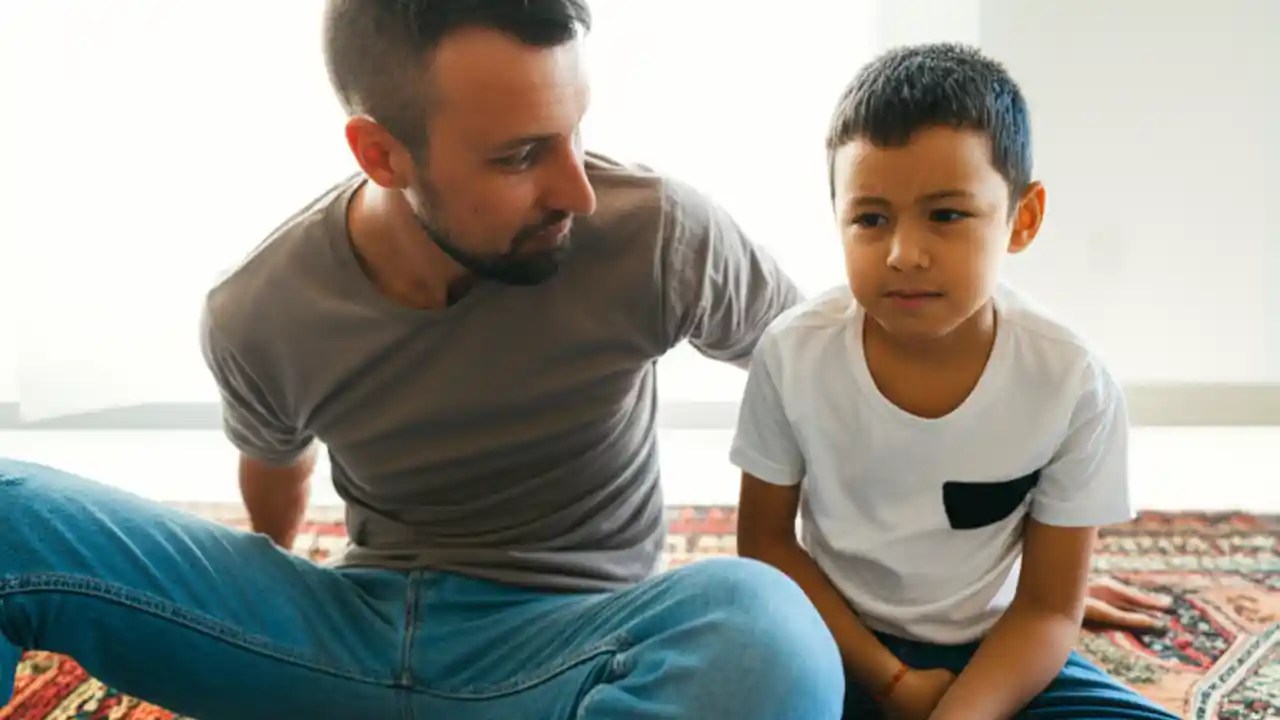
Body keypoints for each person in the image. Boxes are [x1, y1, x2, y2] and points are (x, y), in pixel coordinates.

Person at [0, 5, 1167, 720]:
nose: (573, 185)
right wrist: (263, 629)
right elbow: (270, 515)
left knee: (760, 628)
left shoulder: (651, 230)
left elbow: (851, 372)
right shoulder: (257, 308)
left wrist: (998, 563)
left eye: (572, 131)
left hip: (590, 657)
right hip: (358, 630)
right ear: (378, 148)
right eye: (519, 154)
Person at [731, 43, 1179, 720]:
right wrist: (891, 683)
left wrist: (959, 712)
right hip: (827, 639)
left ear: (1021, 219)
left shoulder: (1070, 381)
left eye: (945, 215)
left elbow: (1049, 608)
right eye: (870, 219)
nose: (904, 254)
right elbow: (765, 545)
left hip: (991, 650)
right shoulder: (793, 355)